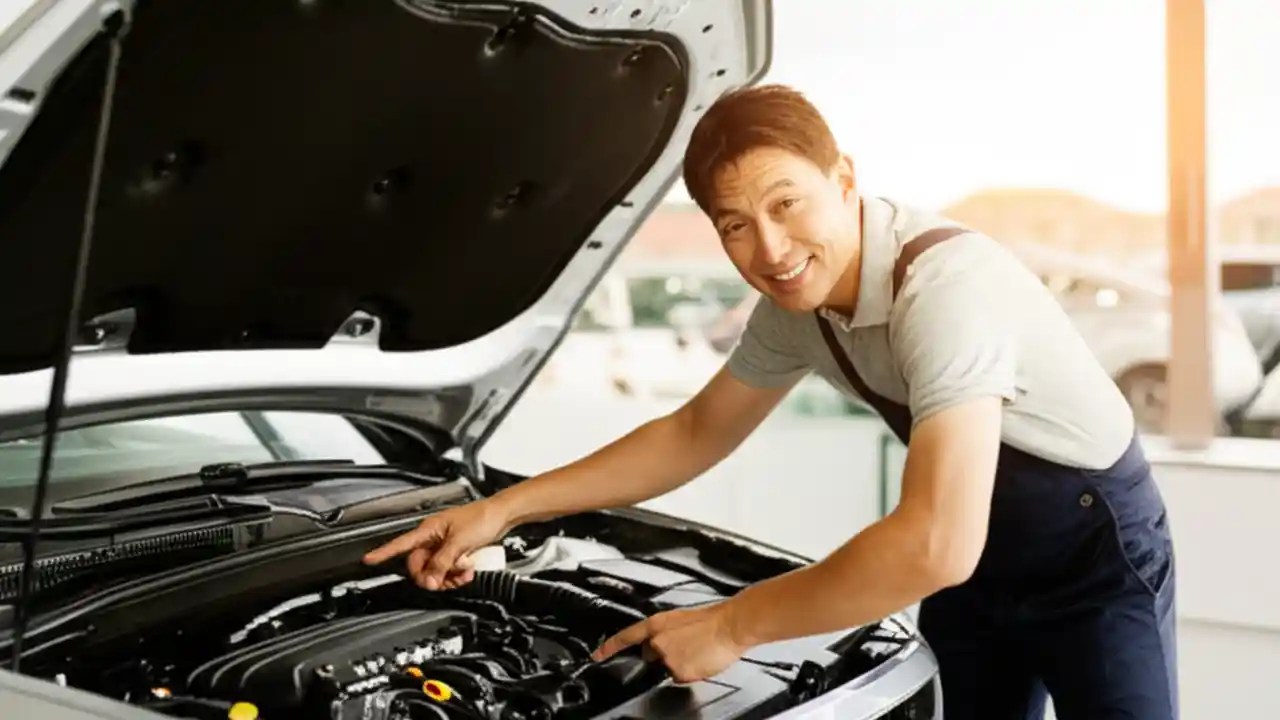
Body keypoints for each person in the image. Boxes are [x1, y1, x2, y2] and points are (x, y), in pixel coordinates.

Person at [364, 84, 1178, 720]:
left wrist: (732, 625)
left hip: (1094, 552)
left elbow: (935, 544)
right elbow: (694, 431)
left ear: (844, 178)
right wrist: (503, 511)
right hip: (977, 553)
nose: (771, 250)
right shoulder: (796, 309)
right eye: (735, 226)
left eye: (787, 204)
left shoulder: (947, 288)